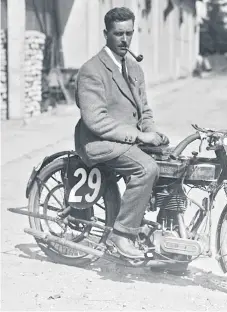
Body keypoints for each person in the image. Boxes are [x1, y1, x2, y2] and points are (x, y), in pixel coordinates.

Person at [74, 7, 169, 259]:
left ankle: (158, 229)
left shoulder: (135, 68)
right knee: (146, 168)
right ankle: (123, 234)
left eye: (128, 33)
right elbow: (95, 120)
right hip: (99, 142)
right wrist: (139, 136)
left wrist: (152, 133)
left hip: (126, 141)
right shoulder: (92, 70)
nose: (124, 39)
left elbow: (144, 111)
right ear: (106, 34)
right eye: (118, 34)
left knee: (173, 164)